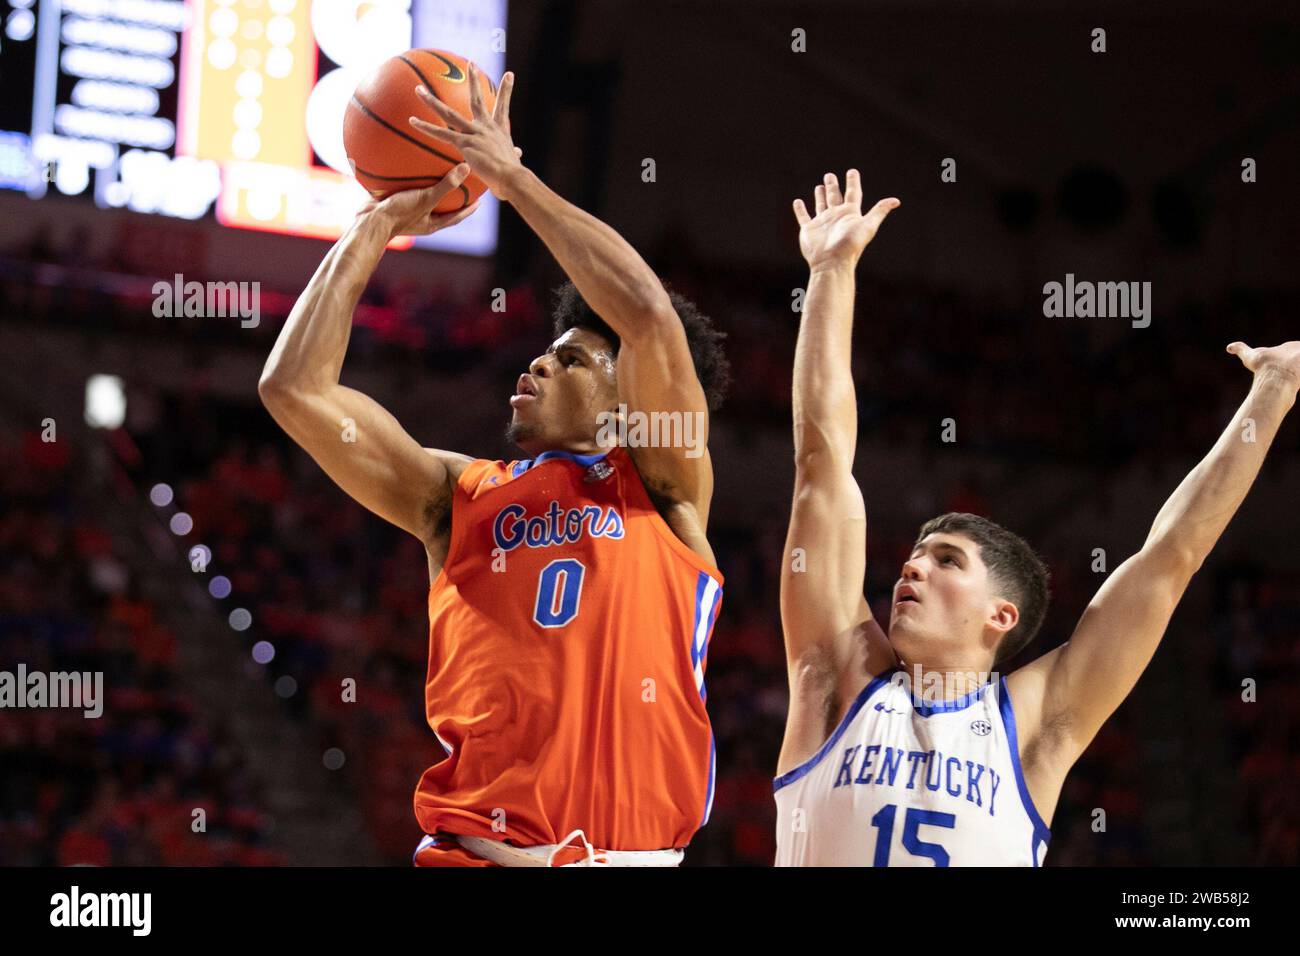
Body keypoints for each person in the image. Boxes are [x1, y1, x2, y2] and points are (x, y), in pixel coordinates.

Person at [259, 66, 730, 867]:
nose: (538, 367)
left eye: (572, 361)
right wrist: (373, 227)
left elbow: (648, 315)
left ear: (626, 403)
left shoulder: (665, 487)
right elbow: (294, 388)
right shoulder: (457, 496)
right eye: (542, 354)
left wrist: (512, 179)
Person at [773, 168, 1298, 866]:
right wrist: (833, 270)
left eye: (947, 560)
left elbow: (1171, 560)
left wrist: (1274, 392)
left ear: (1001, 615)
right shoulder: (836, 676)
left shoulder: (1035, 726)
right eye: (918, 555)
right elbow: (821, 463)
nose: (912, 564)